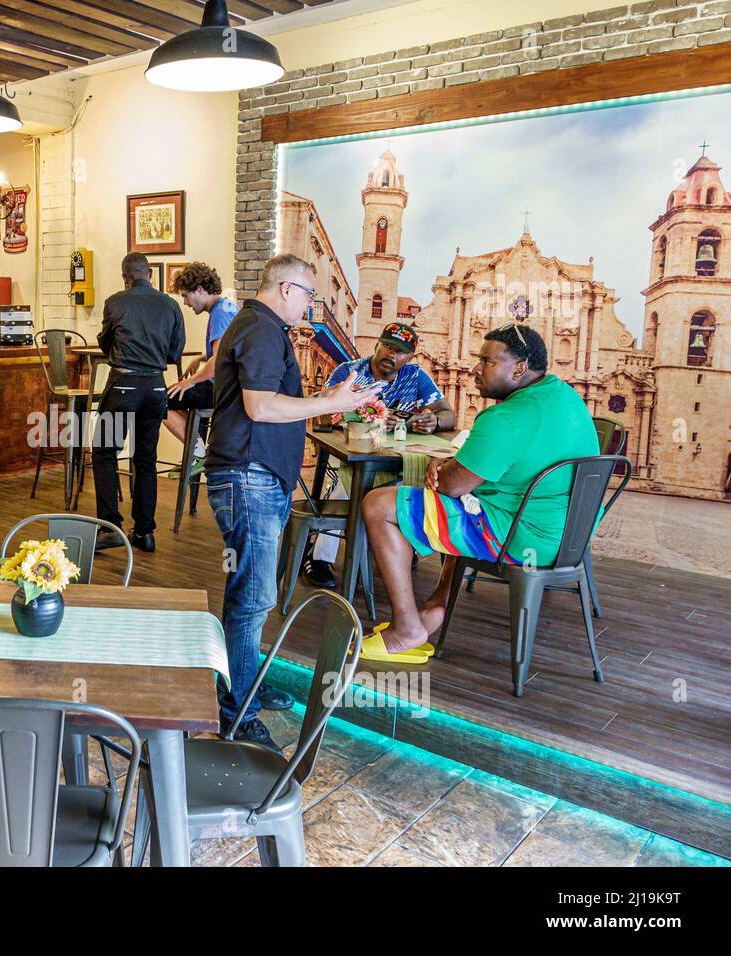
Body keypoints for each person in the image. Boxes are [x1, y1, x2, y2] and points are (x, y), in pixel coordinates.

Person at [205, 254, 383, 751]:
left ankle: (242, 686)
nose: (311, 306)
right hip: (248, 478)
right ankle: (237, 711)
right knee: (252, 598)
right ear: (286, 289)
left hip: (256, 478)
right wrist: (334, 403)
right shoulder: (261, 329)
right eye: (309, 295)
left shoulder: (260, 327)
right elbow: (260, 407)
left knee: (248, 594)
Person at [361, 323, 599, 662]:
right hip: (570, 535)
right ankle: (435, 607)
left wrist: (444, 471)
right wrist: (456, 469)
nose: (476, 369)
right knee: (468, 502)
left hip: (523, 538)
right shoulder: (562, 396)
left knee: (379, 504)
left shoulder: (508, 416)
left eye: (487, 362)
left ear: (519, 368)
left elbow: (452, 485)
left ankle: (407, 629)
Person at [304, 322, 457, 589]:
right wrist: (359, 419)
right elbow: (323, 411)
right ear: (377, 345)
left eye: (400, 351)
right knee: (344, 484)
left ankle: (404, 544)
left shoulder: (415, 376)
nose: (391, 354)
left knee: (423, 481)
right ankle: (319, 557)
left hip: (394, 458)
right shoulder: (350, 372)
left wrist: (434, 421)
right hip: (351, 452)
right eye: (388, 346)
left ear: (409, 357)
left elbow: (447, 413)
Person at [92, 252, 185, 553]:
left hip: (123, 385)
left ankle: (110, 528)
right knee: (145, 458)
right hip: (156, 388)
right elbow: (176, 349)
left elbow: (106, 343)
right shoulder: (170, 304)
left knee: (104, 453)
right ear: (150, 275)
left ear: (125, 278)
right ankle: (145, 532)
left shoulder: (116, 302)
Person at [165, 262, 239, 470]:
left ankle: (198, 453)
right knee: (174, 398)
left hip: (223, 388)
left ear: (200, 289)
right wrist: (201, 358)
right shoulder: (227, 307)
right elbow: (225, 350)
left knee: (157, 401)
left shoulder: (219, 313)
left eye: (186, 295)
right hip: (231, 386)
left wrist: (190, 382)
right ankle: (196, 446)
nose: (185, 302)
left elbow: (219, 362)